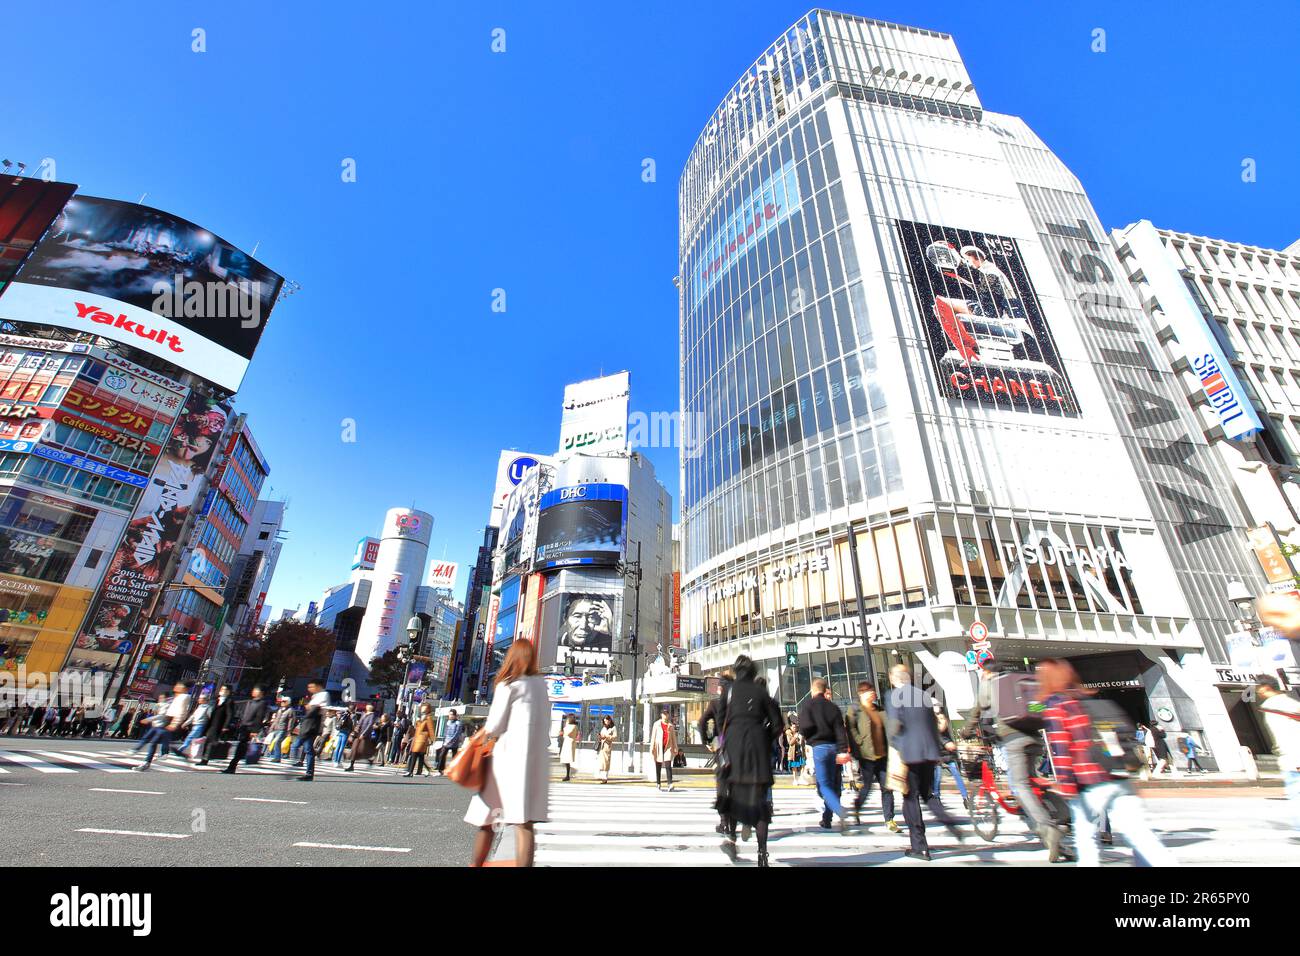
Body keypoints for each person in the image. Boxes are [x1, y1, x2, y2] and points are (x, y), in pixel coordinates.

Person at [1037, 659, 1175, 866]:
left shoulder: (1058, 706)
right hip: (1119, 775)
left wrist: (1065, 786)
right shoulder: (1094, 700)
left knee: (1086, 839)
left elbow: (1062, 751)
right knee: (1141, 836)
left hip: (1089, 781)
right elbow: (1126, 733)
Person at [467, 639, 550, 867]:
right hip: (535, 762)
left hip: (506, 762)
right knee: (525, 824)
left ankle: (476, 865)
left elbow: (494, 726)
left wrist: (478, 738)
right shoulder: (541, 685)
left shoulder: (509, 683)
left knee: (488, 820)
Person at [969, 660, 1064, 860]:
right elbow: (1039, 709)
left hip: (1013, 739)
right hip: (1035, 737)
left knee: (1020, 785)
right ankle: (1063, 816)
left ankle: (1047, 827)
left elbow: (979, 708)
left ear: (986, 671)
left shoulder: (991, 683)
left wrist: (966, 730)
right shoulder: (1021, 681)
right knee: (1035, 780)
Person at [886, 664, 964, 860]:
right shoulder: (924, 695)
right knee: (928, 795)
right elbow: (933, 724)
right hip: (929, 752)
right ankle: (949, 822)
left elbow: (895, 725)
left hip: (909, 753)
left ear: (894, 679)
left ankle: (919, 846)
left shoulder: (894, 696)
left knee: (910, 799)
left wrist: (894, 744)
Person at [715, 655, 784, 866]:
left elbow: (720, 721)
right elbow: (778, 724)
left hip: (735, 749)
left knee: (733, 795)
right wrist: (765, 738)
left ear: (736, 671)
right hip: (758, 751)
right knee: (761, 802)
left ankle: (731, 839)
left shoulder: (729, 691)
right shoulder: (761, 692)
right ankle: (762, 853)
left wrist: (723, 743)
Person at [844, 682, 897, 831]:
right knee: (867, 787)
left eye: (873, 691)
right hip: (866, 755)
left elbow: (889, 727)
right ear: (862, 693)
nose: (873, 694)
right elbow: (850, 728)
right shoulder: (854, 710)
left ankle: (889, 818)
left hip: (883, 754)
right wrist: (859, 742)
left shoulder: (879, 710)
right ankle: (857, 807)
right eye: (870, 691)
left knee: (887, 788)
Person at [799, 677, 850, 832]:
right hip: (834, 747)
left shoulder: (808, 706)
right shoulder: (833, 707)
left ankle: (838, 809)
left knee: (824, 785)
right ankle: (827, 818)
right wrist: (843, 750)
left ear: (813, 689)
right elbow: (841, 731)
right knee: (834, 783)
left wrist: (810, 735)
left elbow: (804, 727)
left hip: (819, 747)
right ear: (825, 689)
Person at [1255, 677, 1300, 839]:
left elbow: (1287, 735)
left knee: (1296, 795)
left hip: (1294, 757)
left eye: (1258, 688)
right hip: (1292, 757)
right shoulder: (1284, 705)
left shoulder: (1277, 706)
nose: (1256, 691)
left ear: (1266, 687)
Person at [698, 668, 736, 835]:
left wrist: (708, 739)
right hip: (740, 749)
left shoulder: (715, 703)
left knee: (722, 784)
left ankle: (724, 822)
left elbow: (702, 722)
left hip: (722, 748)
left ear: (721, 688)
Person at [135, 683, 191, 771]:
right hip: (166, 722)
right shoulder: (176, 697)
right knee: (163, 743)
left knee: (155, 742)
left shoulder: (184, 697)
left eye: (179, 686)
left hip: (171, 721)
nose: (176, 687)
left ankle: (149, 761)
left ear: (184, 688)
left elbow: (181, 711)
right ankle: (177, 755)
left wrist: (175, 723)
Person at [222, 687, 268, 773]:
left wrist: (255, 730)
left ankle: (232, 766)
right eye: (253, 690)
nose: (253, 691)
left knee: (241, 746)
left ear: (261, 693)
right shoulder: (250, 701)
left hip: (250, 727)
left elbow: (259, 717)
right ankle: (233, 765)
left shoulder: (262, 703)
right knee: (241, 746)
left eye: (256, 690)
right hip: (244, 726)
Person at [293, 681, 329, 781]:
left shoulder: (324, 695)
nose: (310, 689)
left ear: (317, 686)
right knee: (304, 748)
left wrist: (310, 707)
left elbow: (316, 710)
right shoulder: (315, 696)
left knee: (306, 749)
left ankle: (308, 773)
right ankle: (307, 771)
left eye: (311, 687)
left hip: (312, 726)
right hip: (308, 725)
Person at [934, 708, 970, 806]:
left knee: (956, 775)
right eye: (939, 718)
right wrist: (947, 743)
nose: (942, 720)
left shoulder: (944, 727)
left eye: (942, 718)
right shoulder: (934, 726)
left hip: (946, 753)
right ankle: (937, 797)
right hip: (939, 753)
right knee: (937, 777)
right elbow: (939, 736)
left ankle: (965, 797)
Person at [198, 686, 234, 766]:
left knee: (211, 741)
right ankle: (204, 758)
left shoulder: (229, 701)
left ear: (228, 692)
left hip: (219, 724)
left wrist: (225, 726)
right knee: (208, 741)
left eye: (224, 690)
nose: (222, 691)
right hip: (211, 723)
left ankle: (205, 759)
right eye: (221, 689)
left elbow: (229, 714)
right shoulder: (216, 699)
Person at [651, 708, 680, 792]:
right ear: (661, 715)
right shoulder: (656, 724)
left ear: (668, 715)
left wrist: (675, 747)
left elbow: (674, 738)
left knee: (668, 765)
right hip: (659, 747)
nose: (665, 715)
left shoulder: (670, 726)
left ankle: (670, 784)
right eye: (664, 713)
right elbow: (653, 736)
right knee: (658, 766)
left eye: (666, 713)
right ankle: (658, 783)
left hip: (668, 747)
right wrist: (652, 748)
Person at [178, 691, 212, 761]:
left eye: (201, 698)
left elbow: (210, 717)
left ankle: (182, 749)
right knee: (196, 740)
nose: (199, 699)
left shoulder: (208, 707)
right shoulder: (199, 707)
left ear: (205, 700)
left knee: (191, 737)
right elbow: (192, 717)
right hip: (195, 724)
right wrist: (185, 723)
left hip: (201, 725)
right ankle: (194, 754)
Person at [404, 703, 436, 777]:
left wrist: (432, 739)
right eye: (422, 708)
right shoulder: (421, 717)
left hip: (422, 738)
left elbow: (431, 729)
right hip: (417, 738)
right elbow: (417, 728)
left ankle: (410, 771)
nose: (423, 709)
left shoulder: (428, 718)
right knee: (420, 755)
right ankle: (421, 770)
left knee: (414, 754)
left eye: (424, 708)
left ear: (428, 709)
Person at [433, 709, 465, 775]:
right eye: (449, 714)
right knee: (442, 755)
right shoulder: (448, 722)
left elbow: (457, 733)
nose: (450, 716)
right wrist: (444, 740)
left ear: (455, 715)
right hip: (446, 742)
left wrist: (451, 741)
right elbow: (445, 732)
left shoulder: (458, 723)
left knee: (454, 757)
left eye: (451, 714)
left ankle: (454, 770)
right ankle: (441, 769)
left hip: (454, 743)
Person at [347, 703, 378, 771]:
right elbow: (359, 723)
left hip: (365, 735)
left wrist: (364, 734)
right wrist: (355, 731)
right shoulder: (364, 714)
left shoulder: (372, 715)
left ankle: (370, 759)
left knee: (362, 750)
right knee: (354, 748)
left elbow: (369, 725)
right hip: (358, 734)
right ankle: (351, 765)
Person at [264, 697, 293, 763]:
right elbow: (276, 719)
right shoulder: (280, 710)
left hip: (283, 729)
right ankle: (274, 755)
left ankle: (277, 757)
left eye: (284, 701)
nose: (282, 702)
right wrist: (272, 728)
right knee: (274, 742)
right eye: (282, 701)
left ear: (288, 702)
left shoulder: (290, 710)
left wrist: (289, 731)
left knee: (277, 742)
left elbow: (291, 721)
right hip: (276, 728)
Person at [596, 715, 617, 783]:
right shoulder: (604, 728)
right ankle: (602, 776)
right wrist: (600, 736)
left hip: (608, 746)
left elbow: (615, 737)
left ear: (610, 720)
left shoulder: (613, 728)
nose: (606, 722)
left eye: (607, 720)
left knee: (606, 762)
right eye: (604, 721)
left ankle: (605, 778)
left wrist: (607, 736)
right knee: (601, 762)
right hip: (602, 746)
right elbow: (602, 735)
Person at [559, 714, 580, 782]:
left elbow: (567, 733)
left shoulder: (573, 726)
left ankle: (568, 775)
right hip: (567, 743)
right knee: (566, 760)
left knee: (568, 759)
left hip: (569, 744)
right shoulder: (573, 726)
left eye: (567, 719)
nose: (566, 720)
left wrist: (565, 727)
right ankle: (568, 775)